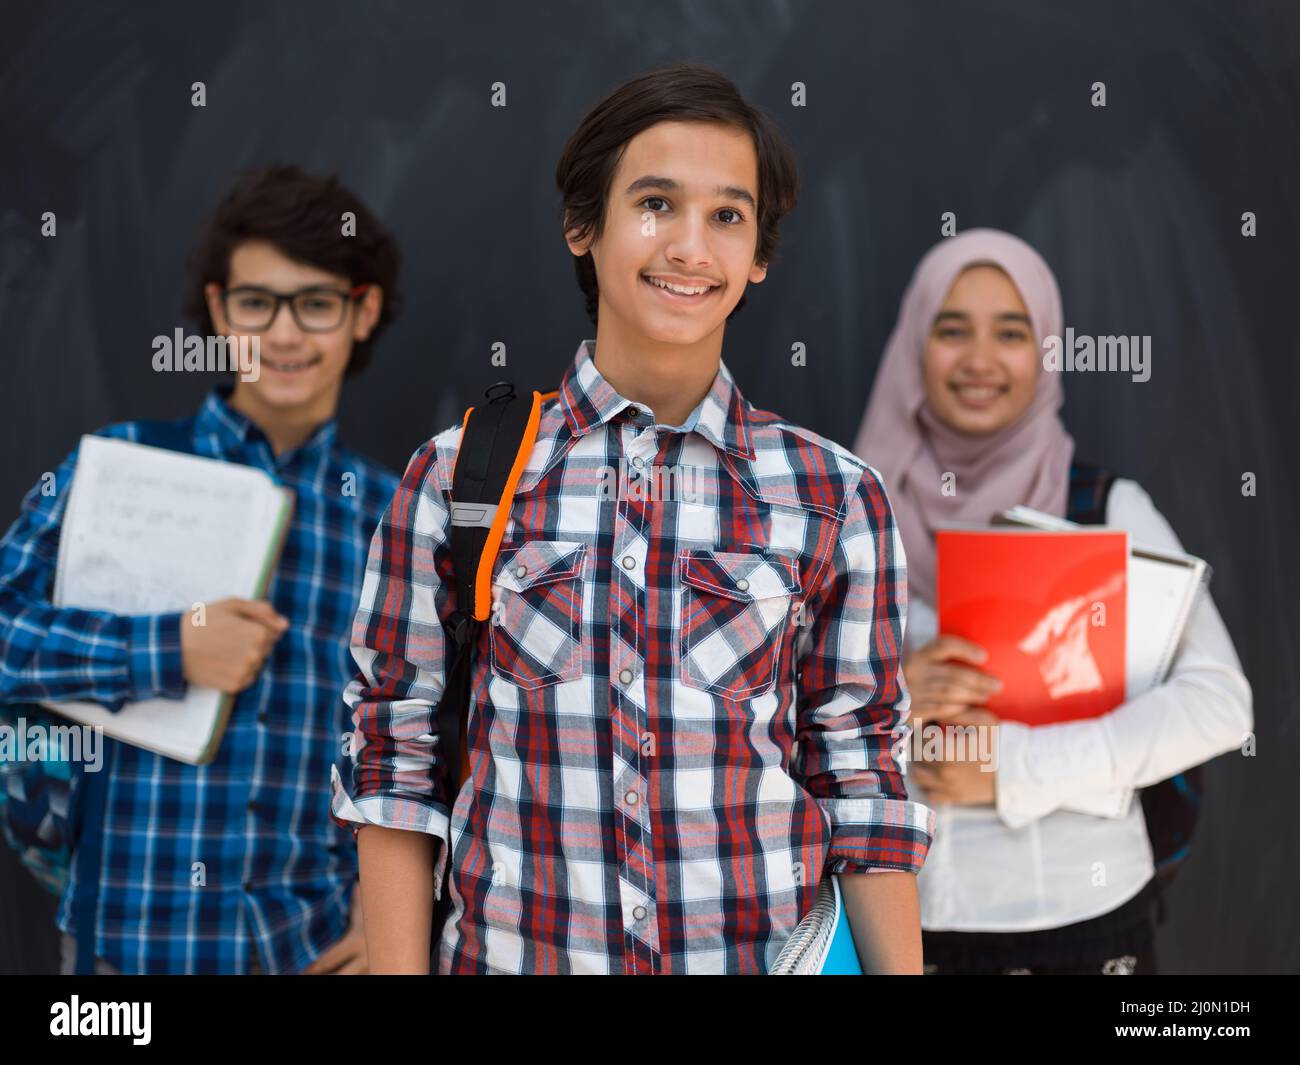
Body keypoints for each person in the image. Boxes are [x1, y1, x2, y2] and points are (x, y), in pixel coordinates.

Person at [330, 62, 936, 974]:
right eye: (655, 203)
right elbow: (393, 749)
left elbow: (863, 777)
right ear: (584, 225)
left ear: (760, 256)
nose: (690, 247)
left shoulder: (832, 494)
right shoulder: (462, 475)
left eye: (728, 215)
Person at [0, 164, 402, 974]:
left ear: (362, 312)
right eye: (257, 303)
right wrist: (170, 649)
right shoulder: (115, 467)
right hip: (134, 949)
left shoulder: (394, 517)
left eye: (316, 303)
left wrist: (384, 909)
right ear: (220, 311)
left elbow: (427, 740)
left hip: (315, 947)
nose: (284, 336)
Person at [851, 228, 1253, 974]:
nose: (979, 359)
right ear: (914, 346)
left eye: (1012, 331)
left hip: (1090, 923)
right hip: (908, 928)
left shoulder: (1103, 507)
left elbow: (1220, 702)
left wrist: (1012, 768)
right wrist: (893, 694)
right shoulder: (849, 514)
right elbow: (772, 724)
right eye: (951, 329)